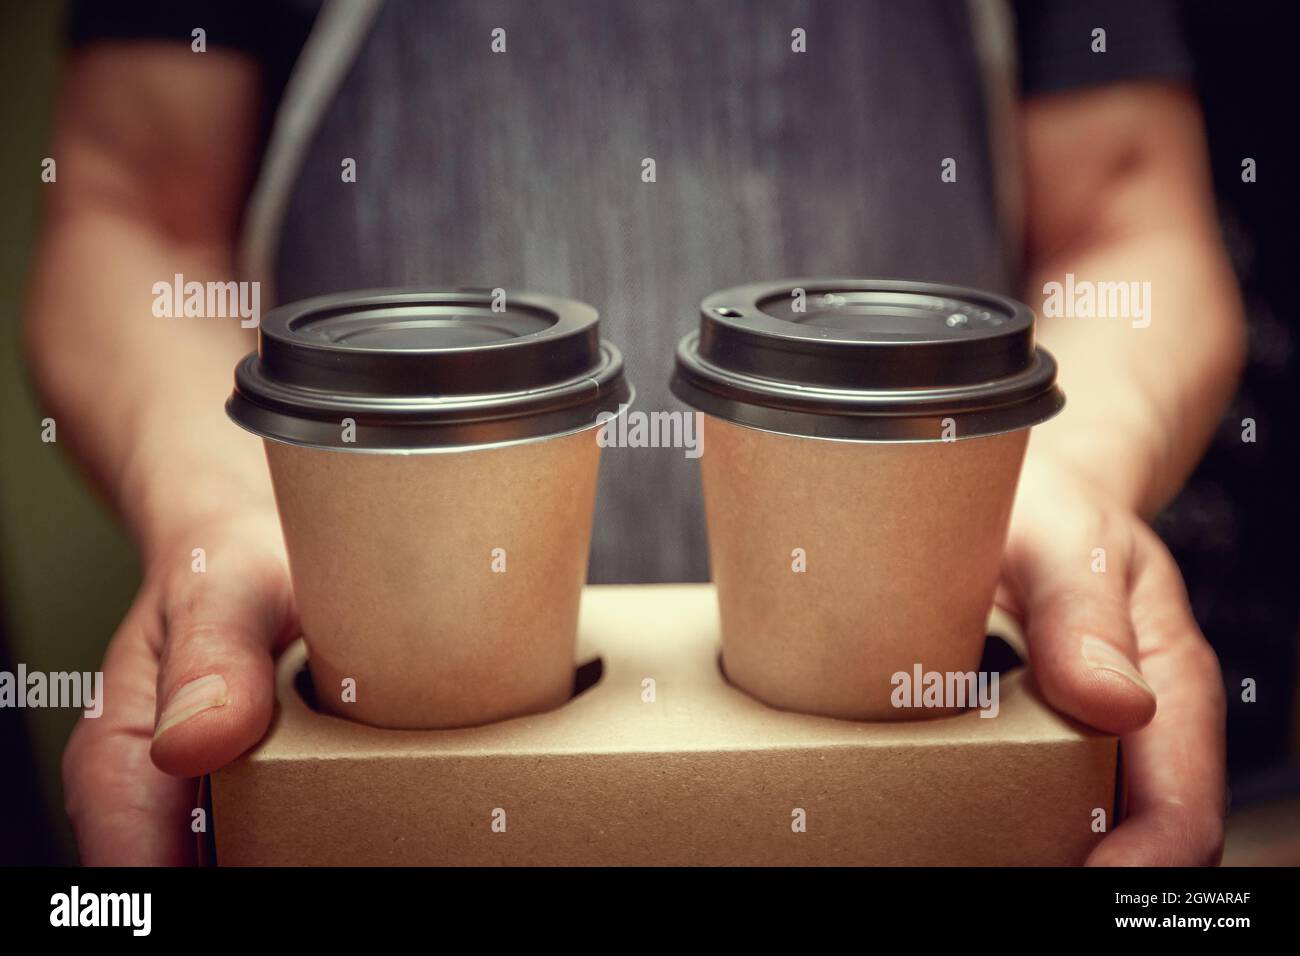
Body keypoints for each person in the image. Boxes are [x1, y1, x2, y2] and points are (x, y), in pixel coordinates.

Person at [29, 1, 1241, 864]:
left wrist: (1067, 481)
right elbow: (132, 206)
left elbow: (1127, 210)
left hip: (920, 746)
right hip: (374, 720)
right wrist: (216, 509)